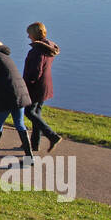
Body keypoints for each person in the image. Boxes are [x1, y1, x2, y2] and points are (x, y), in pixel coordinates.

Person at [23, 22, 63, 151]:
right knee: (36, 113)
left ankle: (52, 135)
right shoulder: (48, 48)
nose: (28, 36)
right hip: (45, 86)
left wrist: (25, 85)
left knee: (29, 112)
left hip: (36, 88)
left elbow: (35, 73)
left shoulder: (37, 51)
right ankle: (35, 144)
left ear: (34, 34)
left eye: (29, 34)